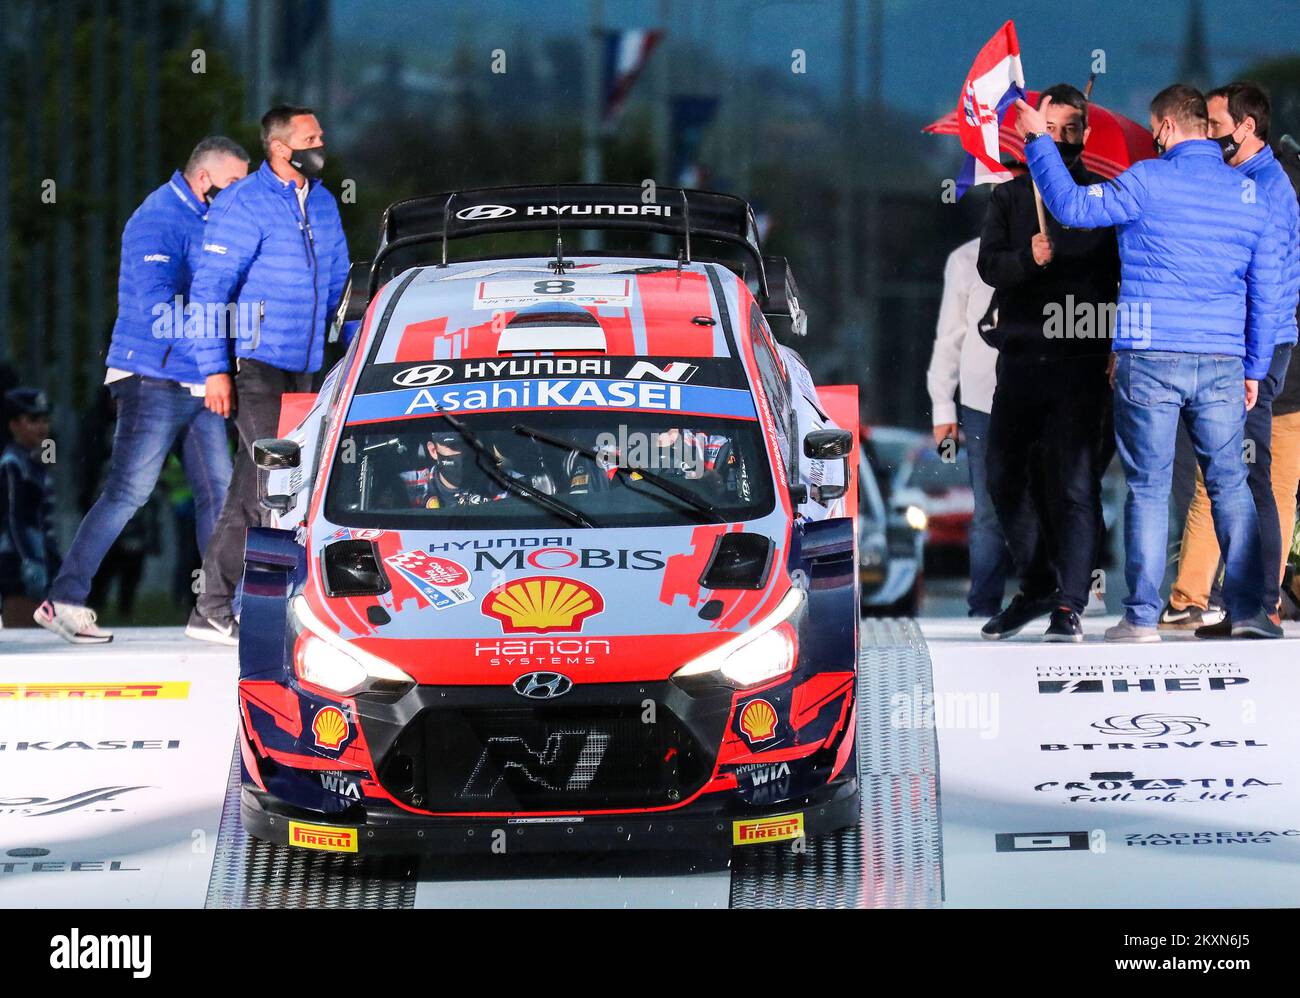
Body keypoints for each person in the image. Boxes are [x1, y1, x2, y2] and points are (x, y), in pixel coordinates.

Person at [1016, 83, 1284, 642]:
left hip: (1150, 355)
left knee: (1148, 486)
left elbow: (1069, 208)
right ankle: (1250, 612)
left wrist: (1039, 143)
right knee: (1231, 484)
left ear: (1163, 128)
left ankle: (1140, 617)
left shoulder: (1146, 180)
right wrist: (1255, 368)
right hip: (1222, 359)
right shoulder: (1248, 194)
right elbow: (1267, 290)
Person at [32, 138, 249, 644]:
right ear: (204, 179)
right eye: (235, 184)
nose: (241, 195)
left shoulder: (206, 220)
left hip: (198, 377)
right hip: (154, 377)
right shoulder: (159, 218)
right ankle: (62, 600)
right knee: (128, 491)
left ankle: (220, 611)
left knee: (218, 499)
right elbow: (157, 309)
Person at [186, 105, 351, 644]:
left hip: (309, 365)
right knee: (273, 485)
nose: (321, 142)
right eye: (311, 137)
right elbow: (210, 290)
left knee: (259, 487)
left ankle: (212, 607)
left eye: (319, 135)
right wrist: (214, 370)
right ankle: (249, 611)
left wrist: (351, 357)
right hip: (257, 364)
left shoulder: (324, 203)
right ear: (281, 148)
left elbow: (338, 287)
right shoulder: (243, 202)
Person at [977, 84, 1121, 642]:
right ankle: (1036, 585)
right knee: (1004, 479)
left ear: (1085, 133)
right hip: (1018, 363)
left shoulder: (1103, 197)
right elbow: (991, 266)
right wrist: (1027, 259)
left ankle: (1071, 601)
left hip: (1081, 365)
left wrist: (1117, 346)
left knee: (1075, 485)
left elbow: (1120, 278)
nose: (1062, 139)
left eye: (1071, 129)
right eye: (1051, 128)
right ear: (1032, 133)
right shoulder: (1009, 198)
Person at [1161, 82, 1300, 634]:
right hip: (1256, 344)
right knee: (1250, 475)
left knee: (1250, 476)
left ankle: (1257, 603)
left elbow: (1269, 283)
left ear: (1246, 127)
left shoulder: (1264, 188)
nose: (1209, 135)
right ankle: (1250, 601)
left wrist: (1252, 361)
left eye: (1216, 126)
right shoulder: (1254, 182)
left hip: (1256, 347)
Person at [927, 237, 1008, 618]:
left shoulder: (1054, 247)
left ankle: (1061, 600)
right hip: (982, 400)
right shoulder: (965, 258)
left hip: (1043, 392)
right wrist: (942, 406)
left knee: (1052, 500)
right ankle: (984, 605)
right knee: (988, 511)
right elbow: (950, 336)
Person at [1, 388, 60, 629]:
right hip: (19, 560)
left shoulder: (36, 457)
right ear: (13, 425)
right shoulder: (12, 463)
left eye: (45, 420)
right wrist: (29, 560)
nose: (41, 427)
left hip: (43, 554)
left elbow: (48, 473)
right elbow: (14, 517)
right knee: (26, 634)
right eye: (33, 420)